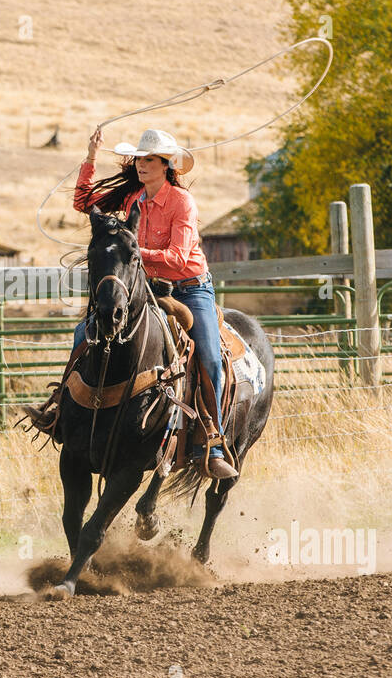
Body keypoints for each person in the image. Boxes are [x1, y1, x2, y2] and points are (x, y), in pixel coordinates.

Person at [27, 126, 236, 479]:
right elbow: (83, 204)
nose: (141, 165)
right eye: (139, 159)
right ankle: (61, 412)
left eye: (149, 159)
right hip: (146, 286)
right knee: (86, 332)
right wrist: (91, 157)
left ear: (166, 165)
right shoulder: (132, 198)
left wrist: (134, 251)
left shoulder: (181, 202)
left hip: (189, 287)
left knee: (210, 355)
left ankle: (212, 440)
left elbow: (177, 256)